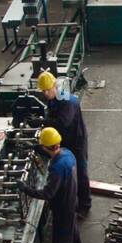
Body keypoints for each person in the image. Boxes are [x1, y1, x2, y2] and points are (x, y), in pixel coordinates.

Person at [19, 127, 84, 243]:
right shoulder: (68, 153)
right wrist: (35, 147)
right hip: (72, 201)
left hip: (62, 210)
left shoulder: (57, 168)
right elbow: (49, 150)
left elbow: (48, 193)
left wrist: (25, 188)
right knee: (74, 236)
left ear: (47, 147)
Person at [37, 71, 91, 216]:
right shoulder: (54, 99)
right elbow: (53, 118)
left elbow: (62, 124)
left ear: (55, 86)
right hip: (66, 139)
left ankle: (85, 206)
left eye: (48, 89)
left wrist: (42, 122)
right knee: (71, 171)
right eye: (43, 91)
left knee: (80, 172)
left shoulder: (67, 101)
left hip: (77, 141)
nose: (46, 93)